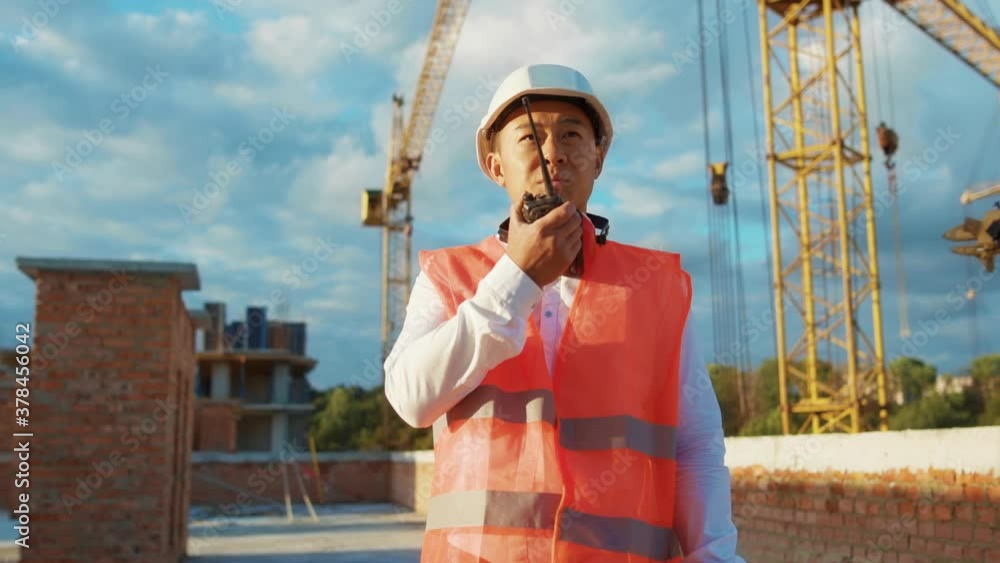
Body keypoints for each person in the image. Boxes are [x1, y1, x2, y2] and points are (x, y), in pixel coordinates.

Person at [384, 63, 745, 562]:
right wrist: (518, 279)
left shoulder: (655, 289)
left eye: (572, 134)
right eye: (529, 138)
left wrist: (715, 555)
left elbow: (696, 446)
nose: (552, 151)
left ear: (598, 157)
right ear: (495, 166)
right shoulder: (448, 277)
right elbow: (411, 398)